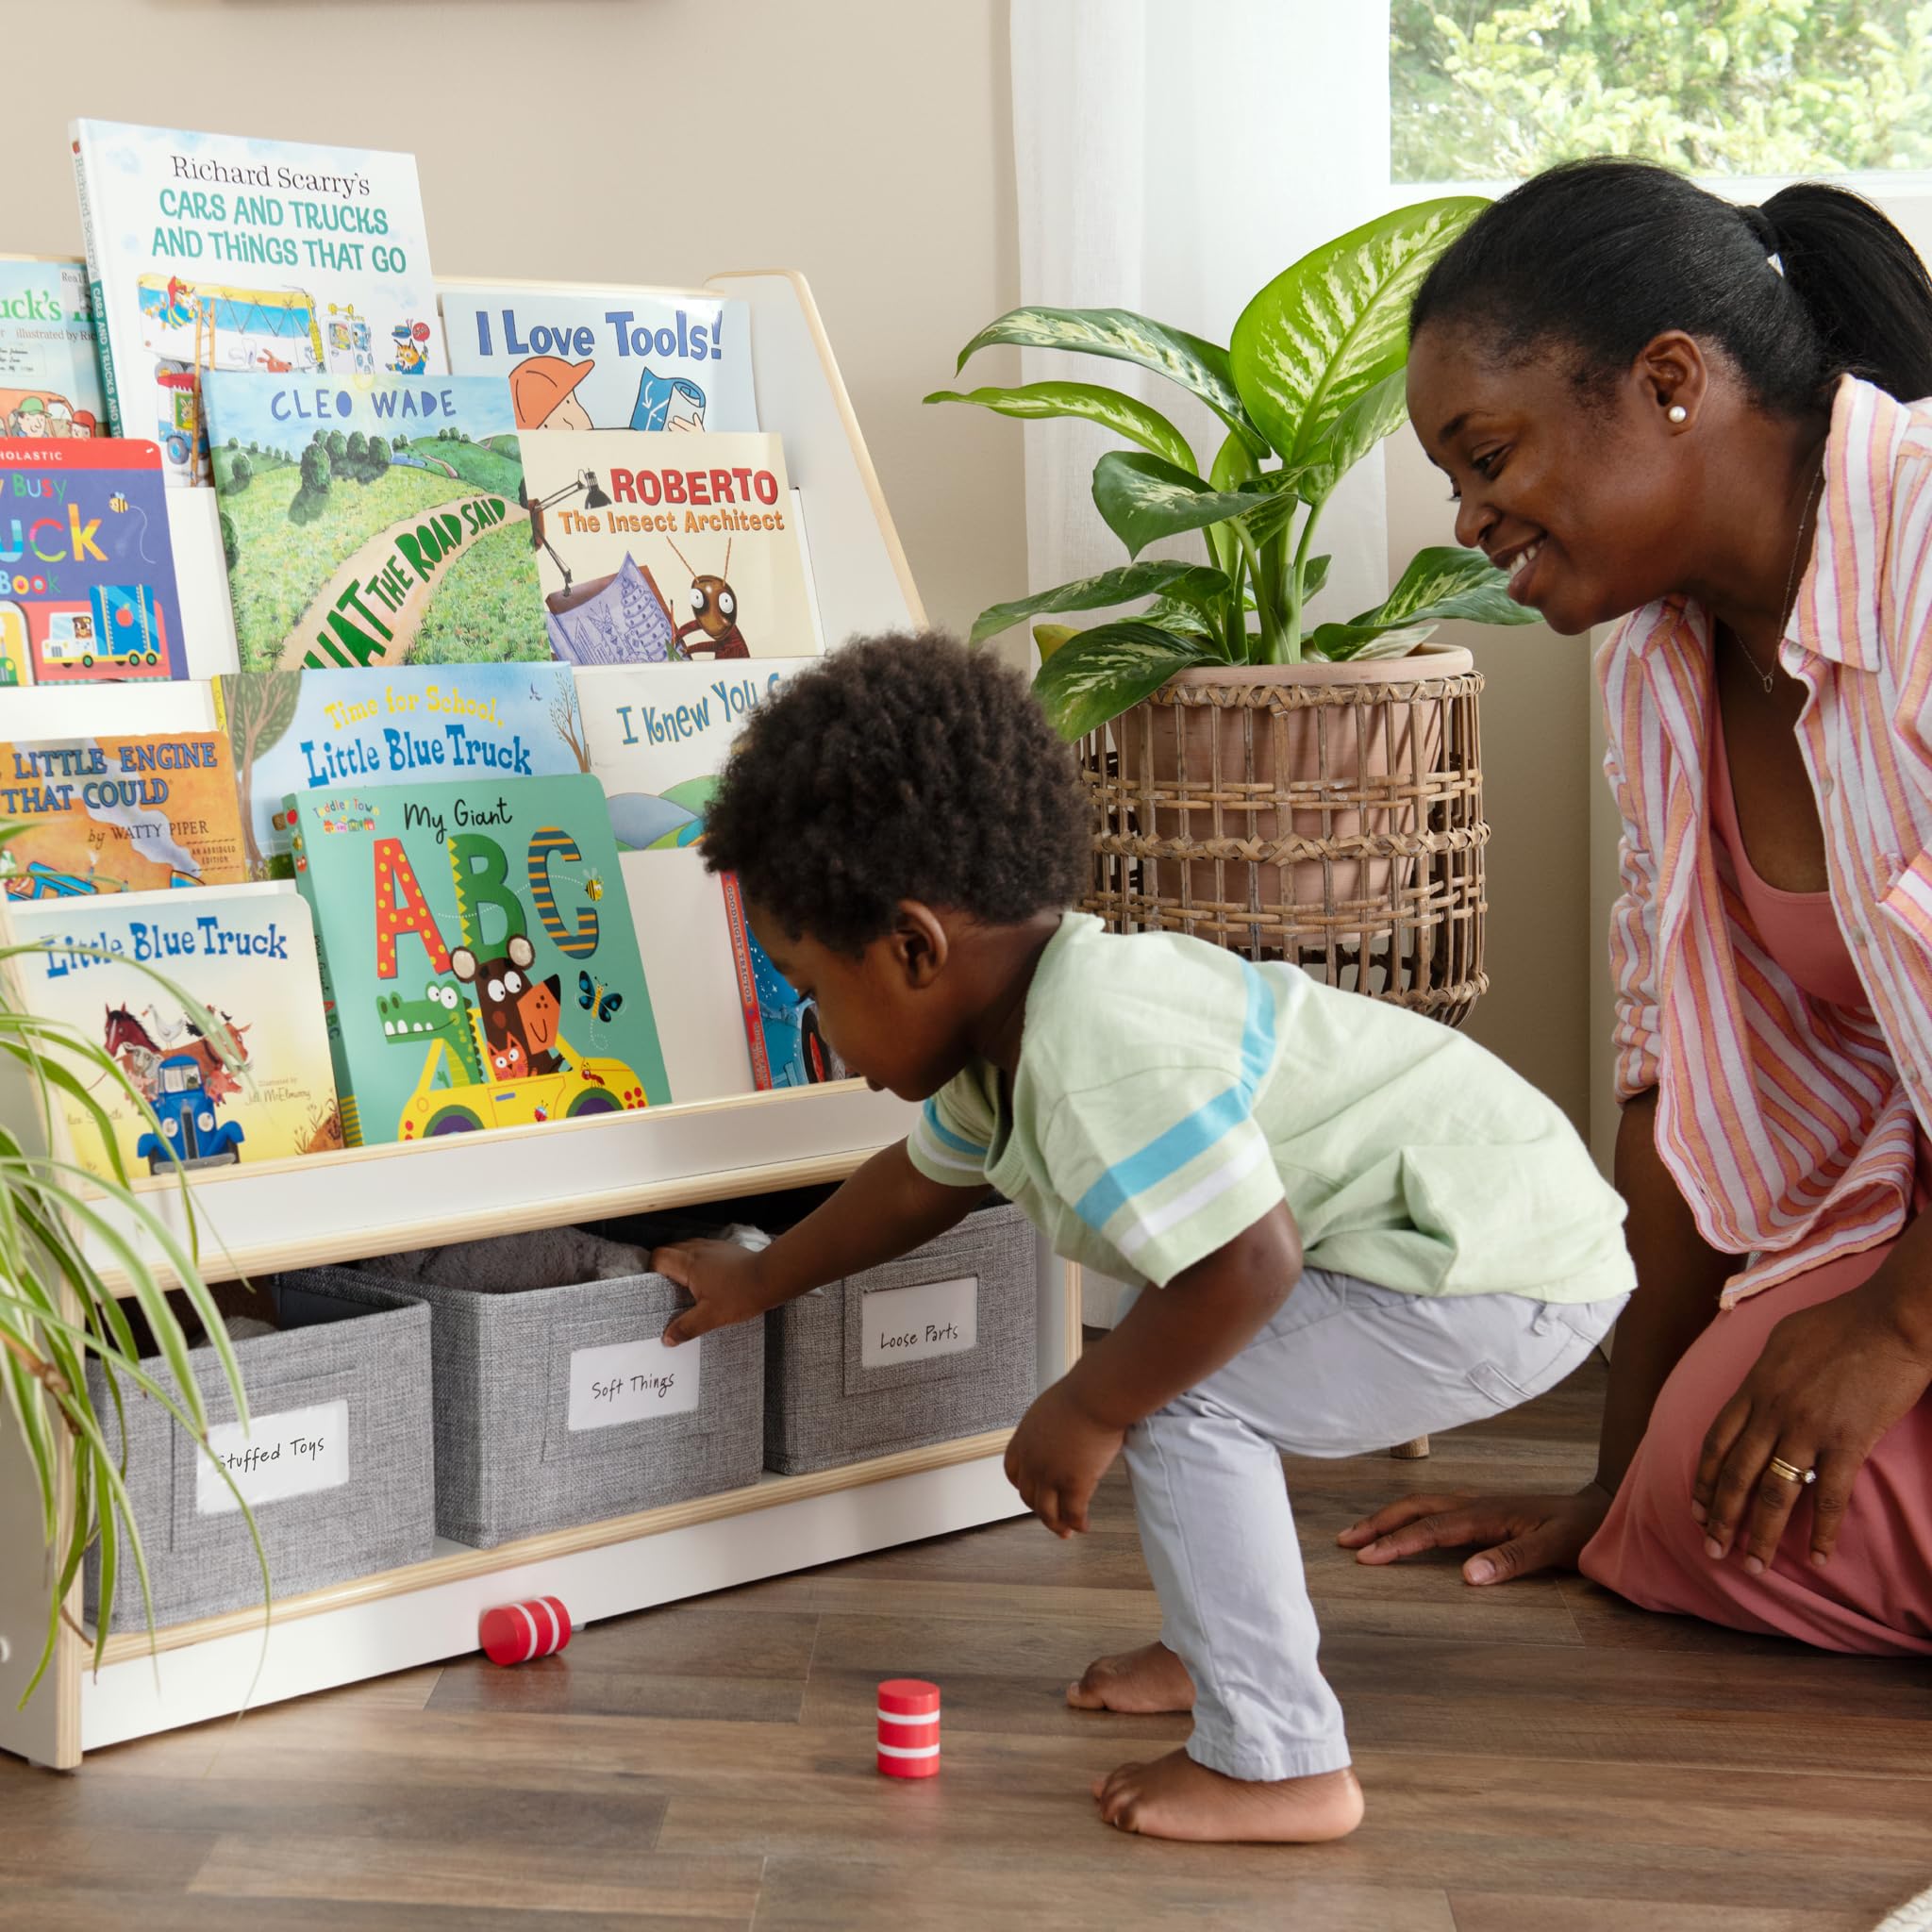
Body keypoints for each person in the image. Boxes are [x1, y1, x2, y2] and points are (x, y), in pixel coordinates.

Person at [648, 634, 1634, 1841]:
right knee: (1174, 1382)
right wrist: (762, 1276)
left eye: (814, 990)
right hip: (1440, 1240)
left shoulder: (1094, 1046)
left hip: (1491, 1267)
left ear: (913, 947)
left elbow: (1245, 1264)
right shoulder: (1006, 1042)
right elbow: (914, 1187)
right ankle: (1211, 1646)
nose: (822, 1035)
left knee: (1174, 1394)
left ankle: (1279, 1761)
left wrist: (1086, 1401)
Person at [1344, 158, 1932, 1656]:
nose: (1473, 518)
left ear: (1670, 380)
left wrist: (1893, 1331)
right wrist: (1617, 1482)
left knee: (1791, 1478)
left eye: (1489, 455)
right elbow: (1673, 1077)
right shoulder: (1658, 668)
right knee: (1698, 1500)